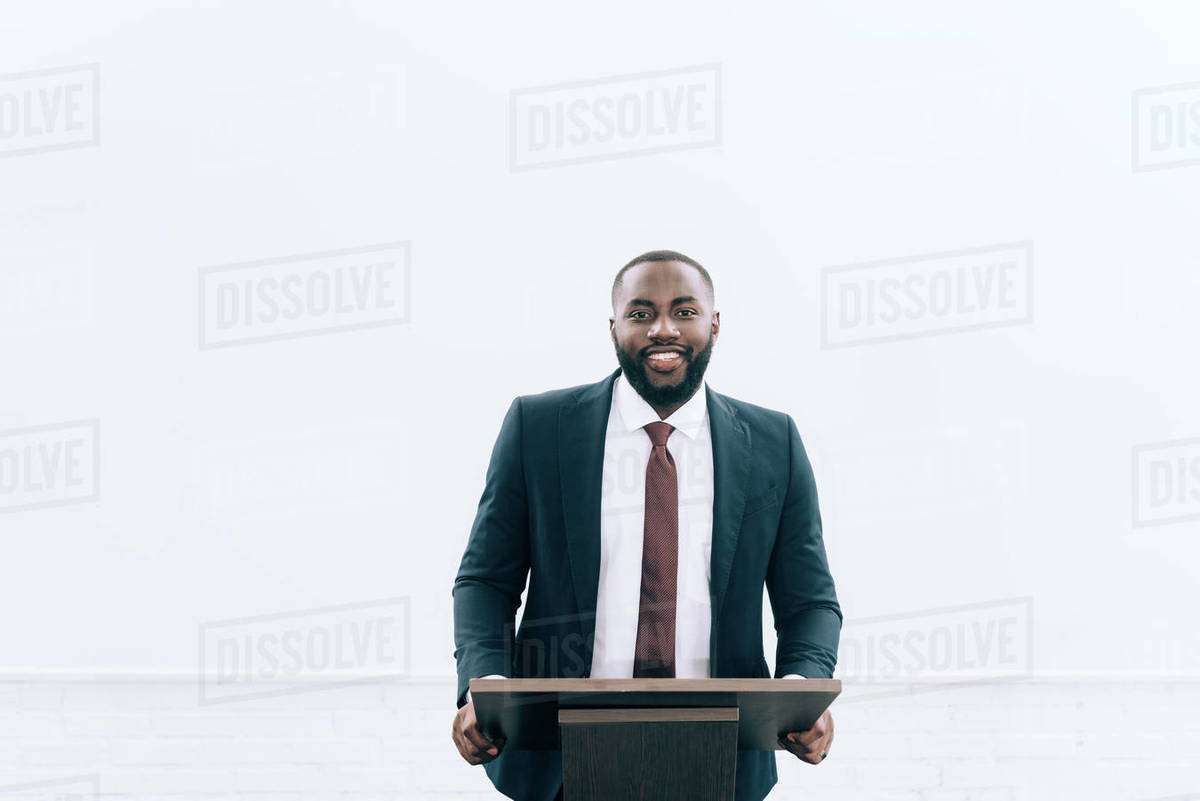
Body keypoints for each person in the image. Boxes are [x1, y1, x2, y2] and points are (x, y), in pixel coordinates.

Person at [451, 250, 842, 801]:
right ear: (613, 326)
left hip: (722, 759)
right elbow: (486, 581)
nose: (664, 329)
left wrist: (800, 694)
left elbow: (809, 602)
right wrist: (485, 689)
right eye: (641, 313)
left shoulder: (773, 442)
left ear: (714, 322)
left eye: (684, 311)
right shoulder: (538, 429)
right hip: (556, 757)